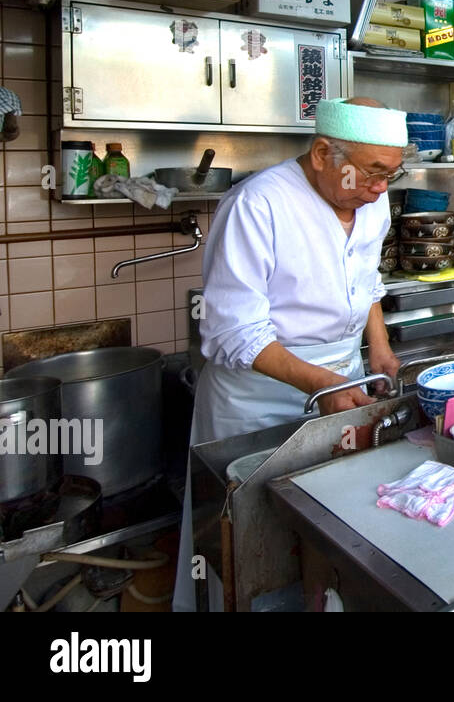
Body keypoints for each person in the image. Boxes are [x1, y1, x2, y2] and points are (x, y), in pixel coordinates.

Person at [173, 97, 407, 611]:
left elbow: (365, 278)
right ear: (323, 153)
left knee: (328, 527)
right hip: (257, 398)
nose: (382, 187)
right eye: (372, 172)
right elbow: (235, 332)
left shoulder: (373, 199)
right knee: (249, 543)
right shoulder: (257, 204)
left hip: (337, 385)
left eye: (393, 172)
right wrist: (320, 384)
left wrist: (379, 346)